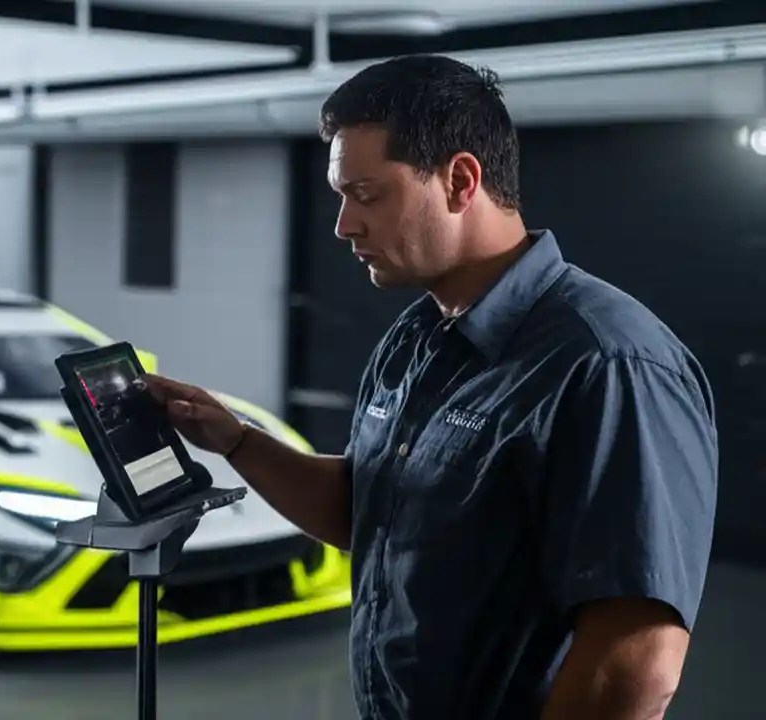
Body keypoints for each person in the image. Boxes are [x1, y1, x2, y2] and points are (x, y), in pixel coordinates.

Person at [143, 54, 718, 719]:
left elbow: (635, 658)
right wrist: (236, 440)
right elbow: (369, 511)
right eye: (340, 196)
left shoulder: (608, 362)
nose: (343, 225)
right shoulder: (416, 339)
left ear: (460, 180)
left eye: (366, 194)